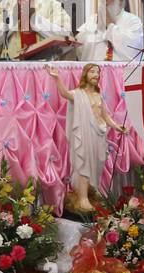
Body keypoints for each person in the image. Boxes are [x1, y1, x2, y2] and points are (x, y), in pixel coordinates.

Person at [46, 63, 130, 215]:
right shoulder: (78, 94)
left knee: (97, 164)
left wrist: (117, 126)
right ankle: (83, 197)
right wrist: (57, 78)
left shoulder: (98, 95)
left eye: (98, 72)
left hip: (99, 134)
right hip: (84, 134)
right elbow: (64, 94)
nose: (96, 75)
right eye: (92, 72)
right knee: (84, 163)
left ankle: (92, 190)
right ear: (85, 74)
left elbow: (105, 115)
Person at [77, 0, 144, 62]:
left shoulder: (133, 21)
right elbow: (79, 46)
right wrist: (95, 29)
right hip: (94, 71)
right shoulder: (93, 20)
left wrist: (109, 25)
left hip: (121, 72)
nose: (104, 0)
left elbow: (133, 50)